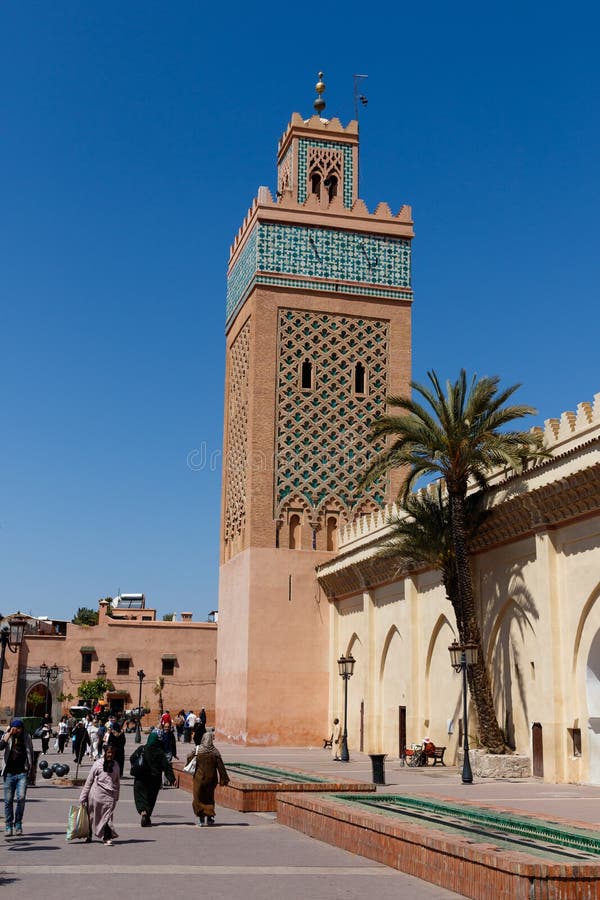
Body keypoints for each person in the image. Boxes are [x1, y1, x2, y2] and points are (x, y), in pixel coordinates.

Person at [79, 744, 120, 845]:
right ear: (105, 753)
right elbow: (89, 780)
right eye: (109, 752)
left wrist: (117, 796)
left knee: (107, 817)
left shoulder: (116, 765)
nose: (110, 755)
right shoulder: (98, 764)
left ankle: (106, 837)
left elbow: (117, 782)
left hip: (109, 797)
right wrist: (83, 796)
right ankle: (89, 834)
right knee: (91, 817)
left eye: (112, 753)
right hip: (95, 796)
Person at [132, 731, 175, 827]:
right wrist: (172, 779)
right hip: (154, 779)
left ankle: (143, 812)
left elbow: (132, 758)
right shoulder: (159, 752)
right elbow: (166, 766)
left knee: (140, 796)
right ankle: (147, 815)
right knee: (151, 798)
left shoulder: (141, 749)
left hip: (140, 778)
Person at [187, 731, 229, 827]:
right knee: (209, 798)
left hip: (199, 779)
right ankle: (210, 817)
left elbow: (189, 758)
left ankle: (201, 818)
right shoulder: (215, 752)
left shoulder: (198, 750)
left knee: (198, 798)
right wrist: (224, 779)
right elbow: (221, 767)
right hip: (211, 779)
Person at [0, 718, 34, 837]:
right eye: (15, 728)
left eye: (19, 728)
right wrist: (9, 734)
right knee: (8, 801)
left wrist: (30, 769)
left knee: (21, 798)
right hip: (9, 773)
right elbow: (0, 746)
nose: (17, 730)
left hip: (22, 773)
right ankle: (8, 825)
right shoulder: (7, 735)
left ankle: (18, 823)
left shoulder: (26, 737)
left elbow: (31, 752)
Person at [156, 722, 178, 786]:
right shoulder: (161, 733)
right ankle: (160, 782)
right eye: (165, 727)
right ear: (163, 727)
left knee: (167, 767)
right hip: (162, 752)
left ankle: (165, 782)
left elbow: (173, 744)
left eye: (168, 727)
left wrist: (174, 754)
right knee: (160, 767)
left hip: (168, 752)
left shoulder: (171, 734)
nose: (167, 728)